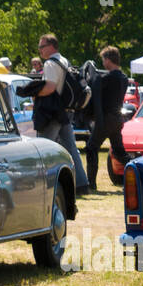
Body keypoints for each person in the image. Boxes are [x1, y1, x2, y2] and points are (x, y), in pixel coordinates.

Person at [32, 33, 90, 194]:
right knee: (71, 148)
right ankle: (81, 184)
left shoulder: (51, 63)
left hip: (53, 112)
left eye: (41, 47)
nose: (39, 50)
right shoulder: (64, 61)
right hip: (66, 111)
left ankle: (43, 185)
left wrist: (35, 93)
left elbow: (50, 87)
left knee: (43, 148)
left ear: (51, 46)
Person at [84, 46, 128, 191]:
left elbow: (97, 91)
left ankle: (91, 184)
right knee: (119, 151)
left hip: (107, 119)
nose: (103, 63)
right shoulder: (123, 78)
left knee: (91, 148)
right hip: (117, 119)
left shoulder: (108, 78)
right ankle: (139, 174)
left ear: (108, 60)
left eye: (104, 59)